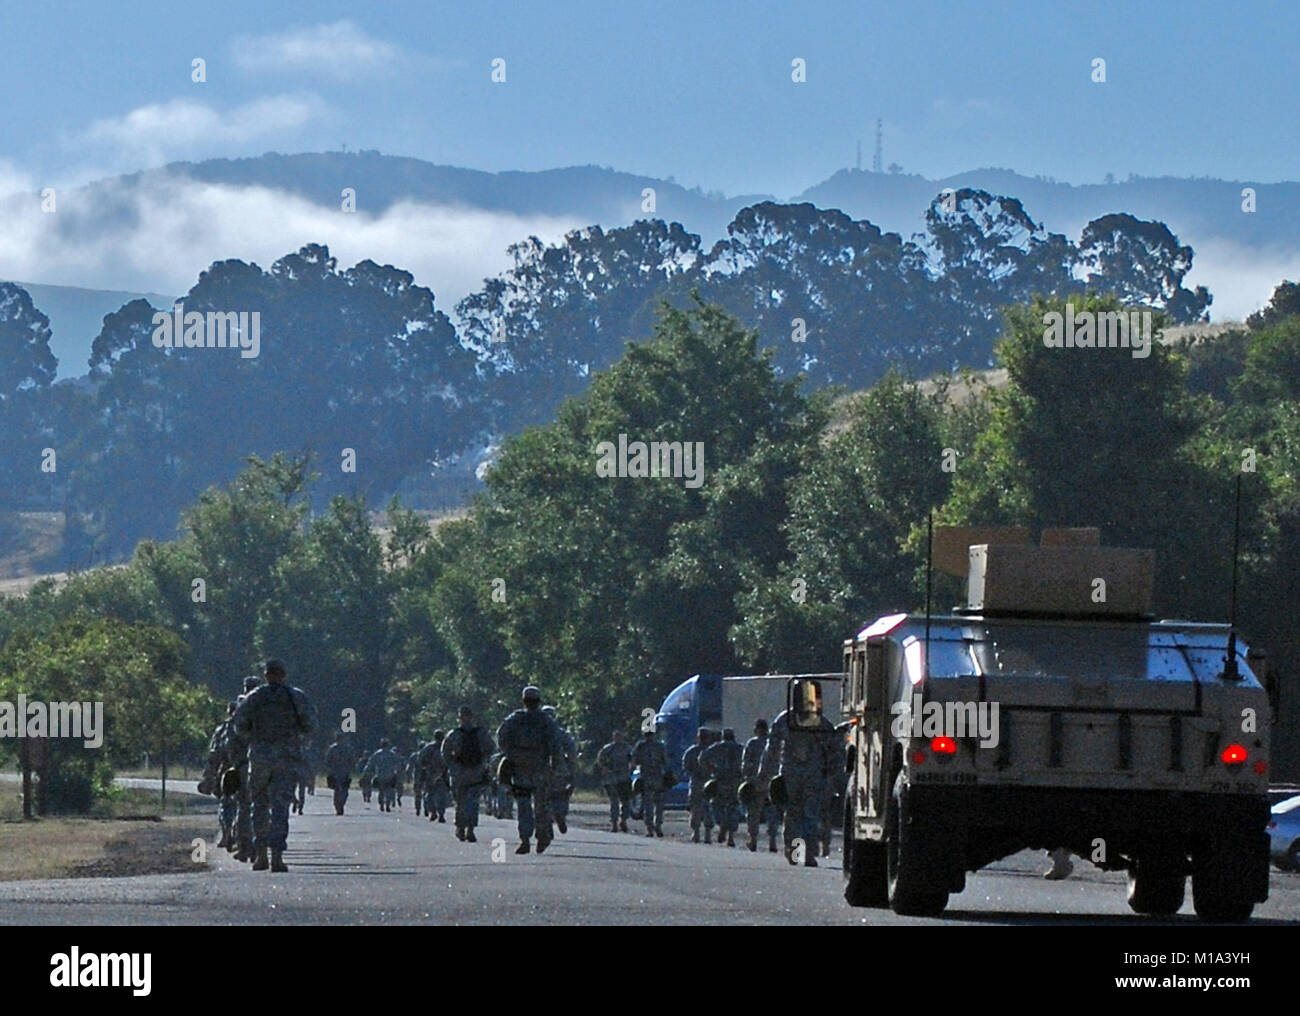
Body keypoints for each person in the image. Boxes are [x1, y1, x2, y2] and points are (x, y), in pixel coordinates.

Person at [230, 659, 315, 872]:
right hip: (286, 758)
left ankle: (261, 856)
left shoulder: (254, 697)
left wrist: (255, 739)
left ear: (266, 675)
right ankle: (276, 856)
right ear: (283, 675)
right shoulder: (296, 697)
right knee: (280, 807)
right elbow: (310, 724)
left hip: (260, 757)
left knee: (259, 804)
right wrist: (295, 738)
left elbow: (239, 725)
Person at [763, 679, 836, 867]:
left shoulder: (785, 720)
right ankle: (808, 854)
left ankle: (796, 852)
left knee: (793, 814)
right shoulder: (822, 723)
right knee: (809, 814)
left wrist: (765, 775)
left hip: (791, 774)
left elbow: (771, 749)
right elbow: (833, 751)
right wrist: (831, 775)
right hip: (812, 775)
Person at [496, 686, 561, 855]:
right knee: (541, 805)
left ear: (523, 701)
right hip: (540, 766)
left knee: (523, 804)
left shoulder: (515, 719)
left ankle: (525, 839)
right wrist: (554, 766)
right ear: (539, 701)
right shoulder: (546, 721)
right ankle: (542, 836)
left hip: (520, 767)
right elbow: (556, 745)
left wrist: (511, 755)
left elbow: (501, 737)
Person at [442, 707, 495, 842]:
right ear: (472, 717)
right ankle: (470, 829)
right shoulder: (481, 733)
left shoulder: (454, 734)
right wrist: (483, 761)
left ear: (459, 718)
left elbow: (445, 752)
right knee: (473, 802)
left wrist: (452, 765)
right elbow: (491, 748)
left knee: (460, 802)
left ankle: (460, 828)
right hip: (476, 772)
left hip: (459, 773)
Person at [741, 719, 779, 853]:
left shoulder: (752, 743)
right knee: (772, 813)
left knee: (753, 813)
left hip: (756, 783)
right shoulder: (773, 744)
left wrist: (748, 777)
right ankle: (772, 841)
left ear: (756, 729)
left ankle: (753, 840)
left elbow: (745, 763)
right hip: (772, 783)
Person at [703, 727, 743, 847]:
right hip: (735, 781)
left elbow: (702, 758)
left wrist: (711, 768)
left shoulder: (717, 747)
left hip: (720, 780)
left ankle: (722, 823)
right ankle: (730, 837)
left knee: (716, 804)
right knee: (733, 807)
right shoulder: (740, 748)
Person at [542, 706, 577, 834]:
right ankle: (559, 814)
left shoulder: (535, 732)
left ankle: (548, 820)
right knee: (560, 795)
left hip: (540, 770)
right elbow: (572, 753)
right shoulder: (561, 733)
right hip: (558, 770)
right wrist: (572, 770)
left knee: (542, 797)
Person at [632, 724, 668, 838]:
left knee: (648, 803)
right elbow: (665, 761)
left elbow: (634, 761)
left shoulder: (641, 746)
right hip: (656, 776)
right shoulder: (659, 746)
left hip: (647, 776)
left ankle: (650, 828)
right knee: (658, 803)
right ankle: (657, 825)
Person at [683, 727, 716, 843]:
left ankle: (696, 833)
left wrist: (693, 773)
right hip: (708, 782)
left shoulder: (691, 751)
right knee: (708, 807)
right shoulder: (712, 751)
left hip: (696, 782)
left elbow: (685, 767)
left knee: (695, 808)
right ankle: (707, 835)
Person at [594, 730, 632, 832]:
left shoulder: (627, 748)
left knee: (626, 802)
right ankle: (614, 823)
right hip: (612, 778)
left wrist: (631, 768)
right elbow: (600, 759)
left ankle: (623, 820)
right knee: (614, 802)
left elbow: (633, 759)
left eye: (619, 736)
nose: (618, 739)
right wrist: (604, 767)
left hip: (624, 777)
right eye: (616, 736)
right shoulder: (608, 749)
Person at [362, 739, 403, 812]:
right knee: (389, 790)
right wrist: (397, 772)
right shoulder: (392, 754)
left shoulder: (377, 754)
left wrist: (366, 772)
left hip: (380, 775)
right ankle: (387, 804)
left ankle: (381, 804)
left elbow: (370, 763)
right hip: (390, 775)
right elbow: (398, 764)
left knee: (381, 790)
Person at [418, 733, 450, 822]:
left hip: (431, 774)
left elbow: (420, 759)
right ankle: (441, 814)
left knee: (430, 794)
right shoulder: (446, 747)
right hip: (444, 774)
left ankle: (433, 812)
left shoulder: (428, 747)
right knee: (442, 795)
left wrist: (425, 768)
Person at [323, 737, 352, 815]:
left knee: (345, 791)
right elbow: (327, 760)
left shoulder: (347, 749)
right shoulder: (332, 749)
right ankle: (338, 807)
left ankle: (341, 804)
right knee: (337, 790)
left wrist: (350, 768)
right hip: (335, 772)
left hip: (344, 772)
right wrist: (330, 769)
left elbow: (351, 760)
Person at [408, 744, 426, 817]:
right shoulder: (428, 755)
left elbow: (409, 767)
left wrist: (409, 776)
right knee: (426, 792)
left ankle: (418, 808)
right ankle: (426, 807)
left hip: (417, 777)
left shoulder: (415, 756)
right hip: (426, 777)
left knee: (417, 794)